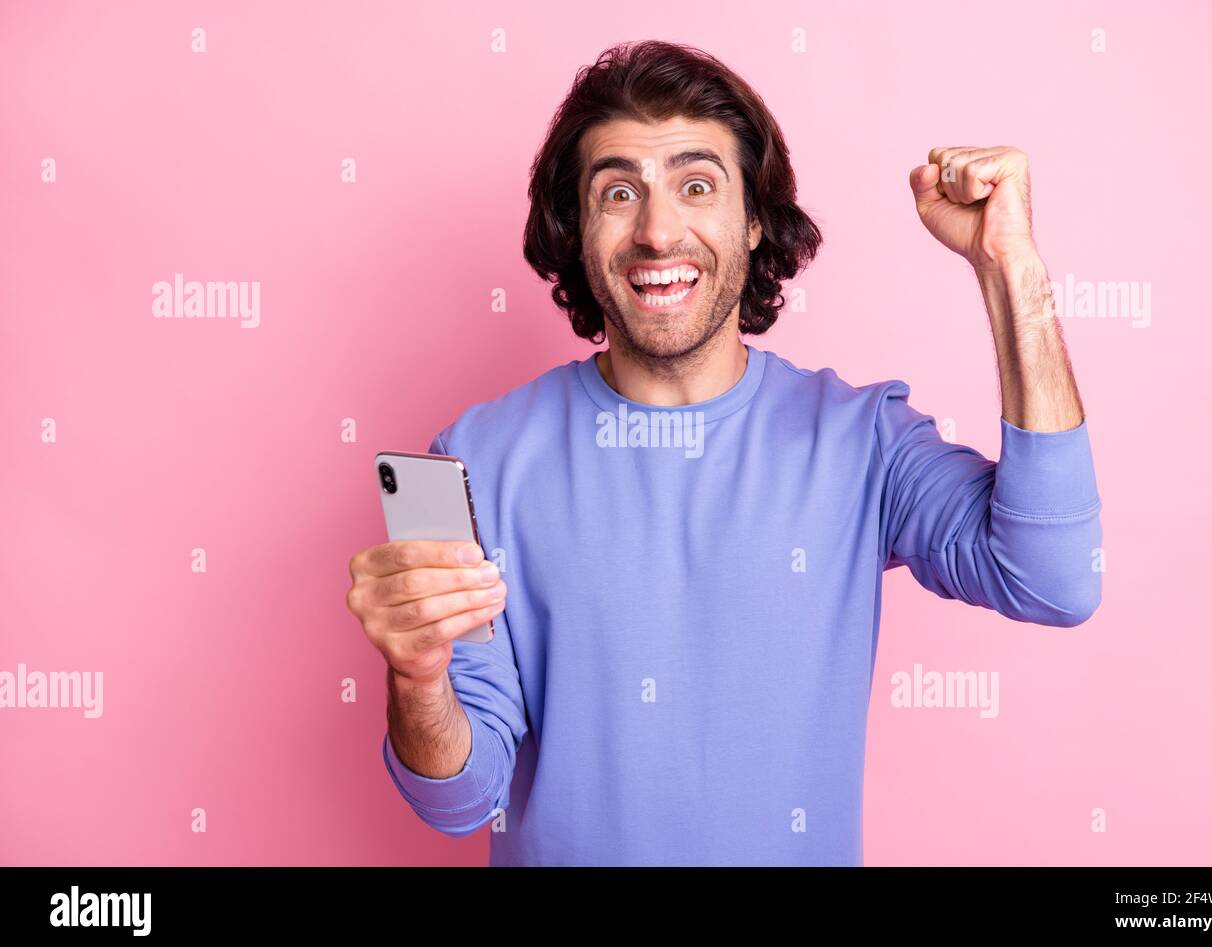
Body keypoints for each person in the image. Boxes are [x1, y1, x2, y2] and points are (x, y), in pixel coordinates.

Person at [345, 40, 1102, 866]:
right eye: (618, 193)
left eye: (696, 186)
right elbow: (459, 800)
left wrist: (1009, 269)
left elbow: (1054, 579)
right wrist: (418, 681)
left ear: (752, 220)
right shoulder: (475, 460)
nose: (658, 230)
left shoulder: (860, 441)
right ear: (579, 228)